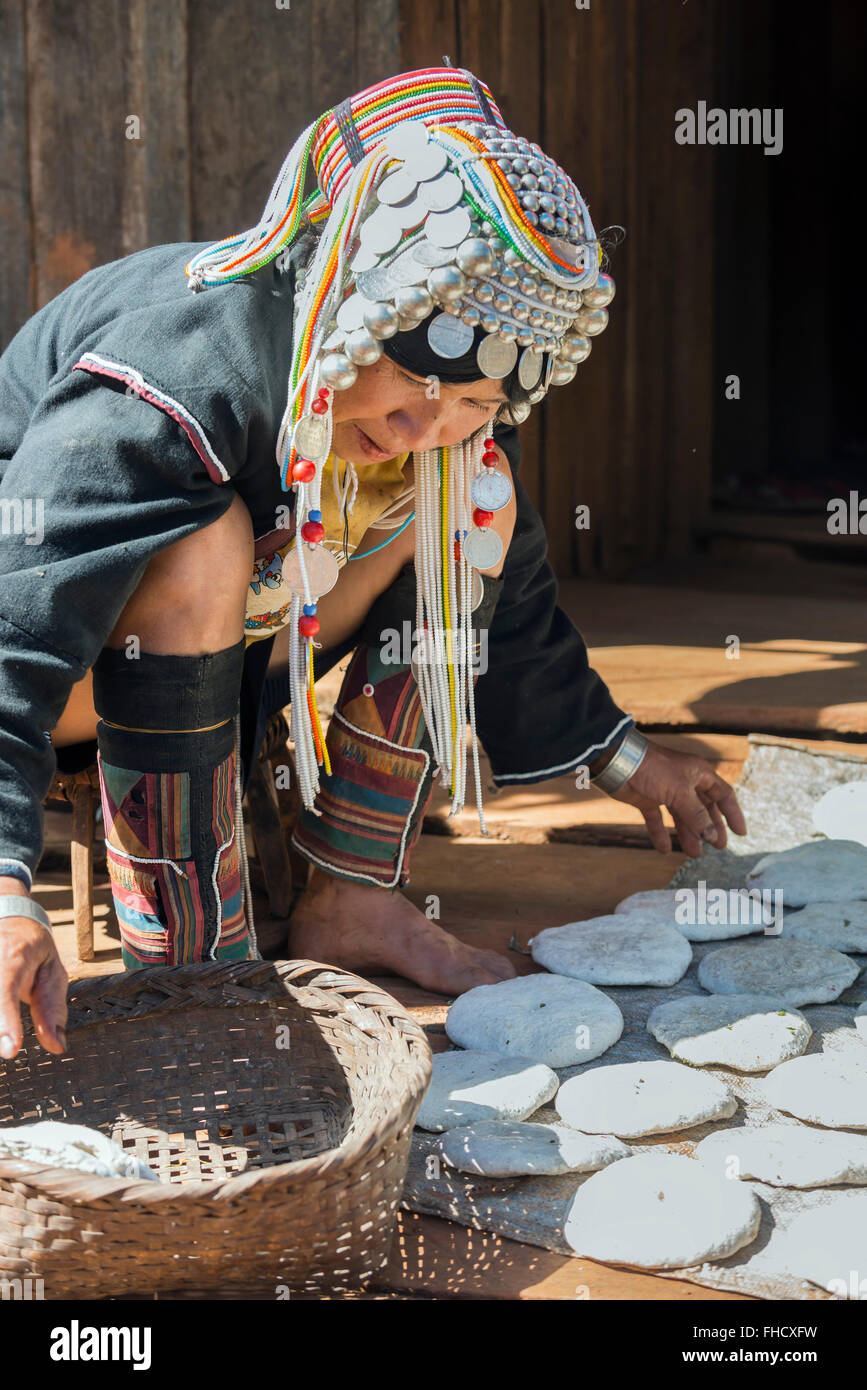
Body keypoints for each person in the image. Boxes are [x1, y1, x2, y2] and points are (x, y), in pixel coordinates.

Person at [0, 66, 746, 1063]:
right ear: (348, 295)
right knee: (204, 539)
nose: (420, 420)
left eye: (476, 398)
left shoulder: (439, 424)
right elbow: (19, 625)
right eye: (408, 370)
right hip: (69, 655)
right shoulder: (179, 368)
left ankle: (352, 892)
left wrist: (625, 756)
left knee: (466, 496)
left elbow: (512, 602)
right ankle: (188, 972)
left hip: (233, 641)